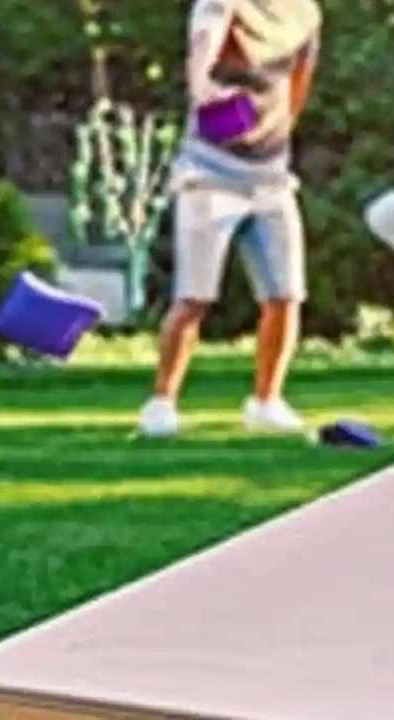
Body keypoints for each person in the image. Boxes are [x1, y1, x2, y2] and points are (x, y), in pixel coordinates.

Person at [138, 0, 322, 437]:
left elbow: (300, 80)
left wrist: (278, 131)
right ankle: (161, 403)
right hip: (209, 172)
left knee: (286, 294)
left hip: (271, 174)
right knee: (194, 297)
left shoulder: (306, 13)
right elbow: (205, 38)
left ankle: (267, 402)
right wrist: (201, 84)